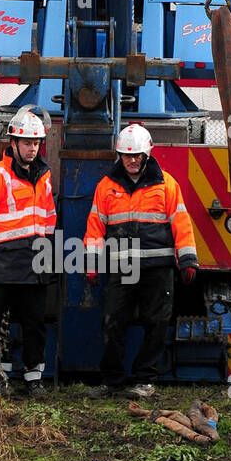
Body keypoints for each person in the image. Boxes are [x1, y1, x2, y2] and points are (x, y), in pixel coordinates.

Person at [84, 123, 198, 399]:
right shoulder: (106, 187)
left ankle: (145, 380)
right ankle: (113, 381)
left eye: (136, 156)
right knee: (112, 323)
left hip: (158, 269)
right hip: (120, 268)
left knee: (157, 323)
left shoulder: (167, 185)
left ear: (148, 155)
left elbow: (181, 224)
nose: (131, 160)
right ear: (119, 156)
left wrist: (188, 260)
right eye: (126, 155)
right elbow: (95, 227)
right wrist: (91, 263)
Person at [0, 107, 56, 396]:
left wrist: (48, 255)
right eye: (28, 143)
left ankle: (33, 377)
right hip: (1, 262)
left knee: (34, 323)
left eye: (37, 143)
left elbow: (49, 217)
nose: (33, 148)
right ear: (13, 143)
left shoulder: (43, 175)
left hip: (33, 261)